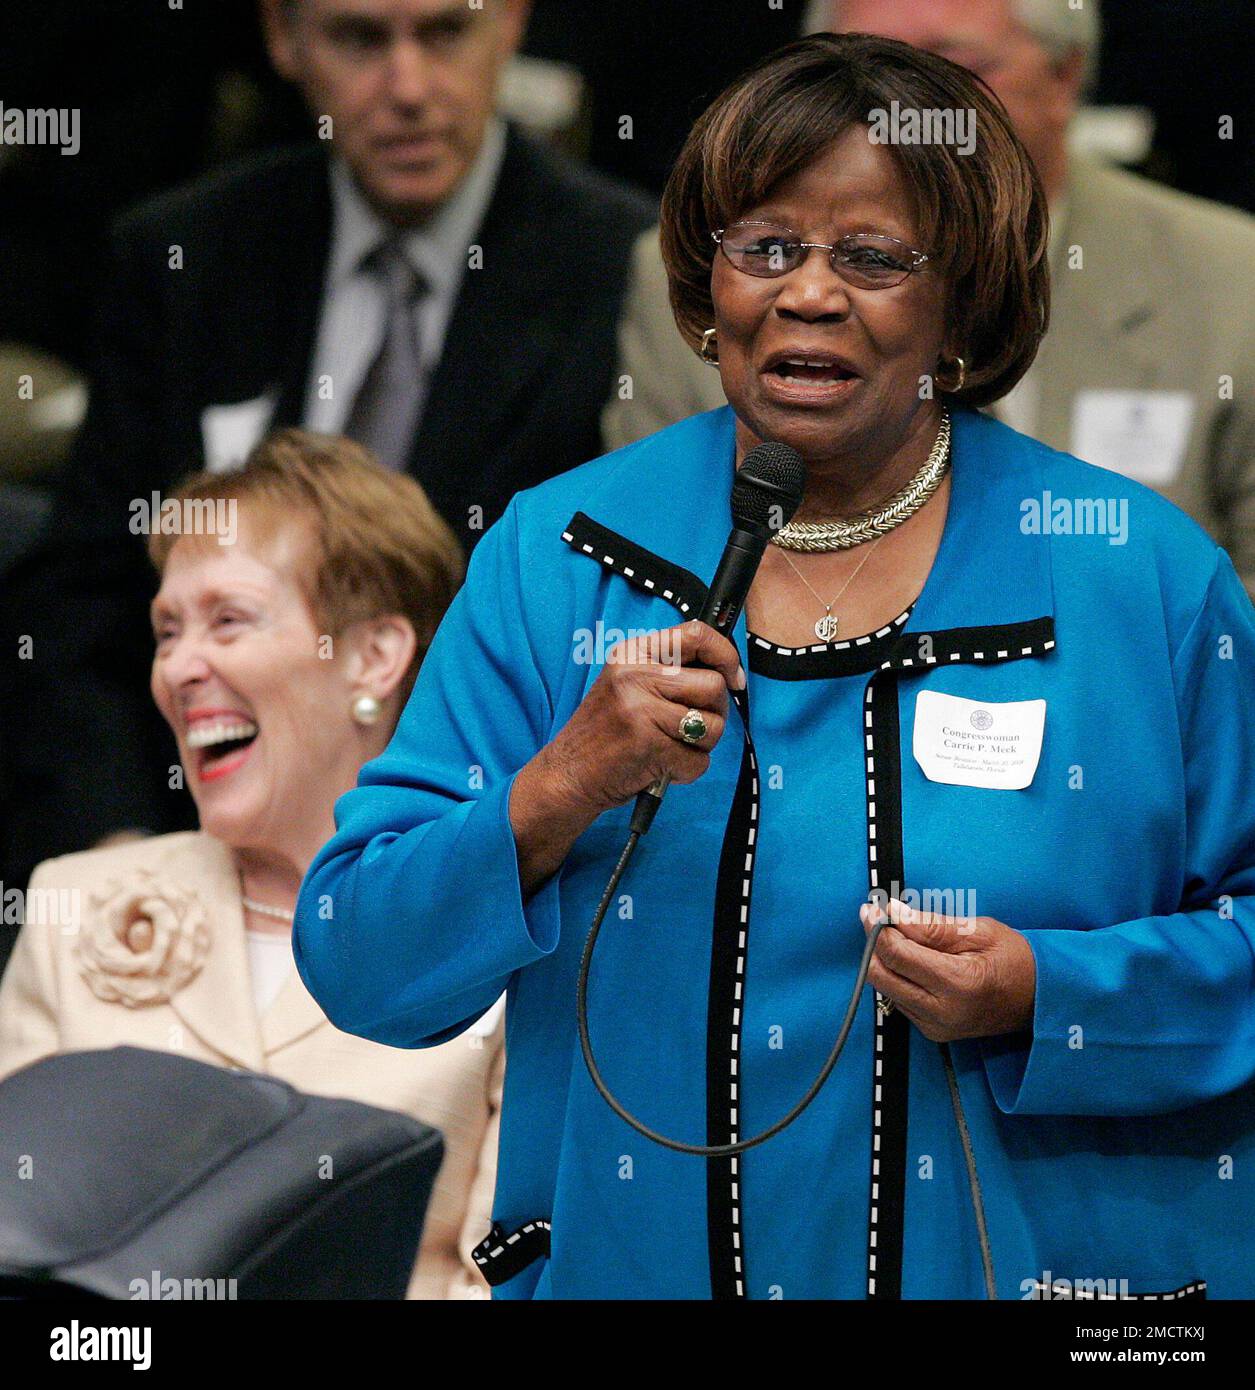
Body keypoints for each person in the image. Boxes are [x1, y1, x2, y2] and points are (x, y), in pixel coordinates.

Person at [293, 33, 1255, 1300]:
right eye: (765, 248)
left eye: (872, 257)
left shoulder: (1133, 575)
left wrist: (1049, 989)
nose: (808, 293)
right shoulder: (561, 554)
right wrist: (560, 783)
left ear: (960, 300)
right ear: (705, 285)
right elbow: (356, 953)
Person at [0, 0, 656, 899]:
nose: (409, 89)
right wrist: (118, 848)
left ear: (511, 22)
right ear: (283, 37)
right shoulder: (185, 256)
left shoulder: (627, 270)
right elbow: (84, 602)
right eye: (360, 39)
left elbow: (622, 637)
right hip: (185, 846)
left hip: (488, 875)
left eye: (443, 33)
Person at [0, 430, 503, 1300]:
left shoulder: (502, 930)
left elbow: (494, 1284)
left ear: (374, 657)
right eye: (166, 631)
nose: (178, 669)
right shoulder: (75, 904)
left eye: (228, 620)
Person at [602, 0, 1255, 598]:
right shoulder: (694, 266)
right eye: (866, 71)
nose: (896, 112)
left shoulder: (1233, 277)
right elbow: (639, 550)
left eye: (950, 69)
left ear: (1064, 78)